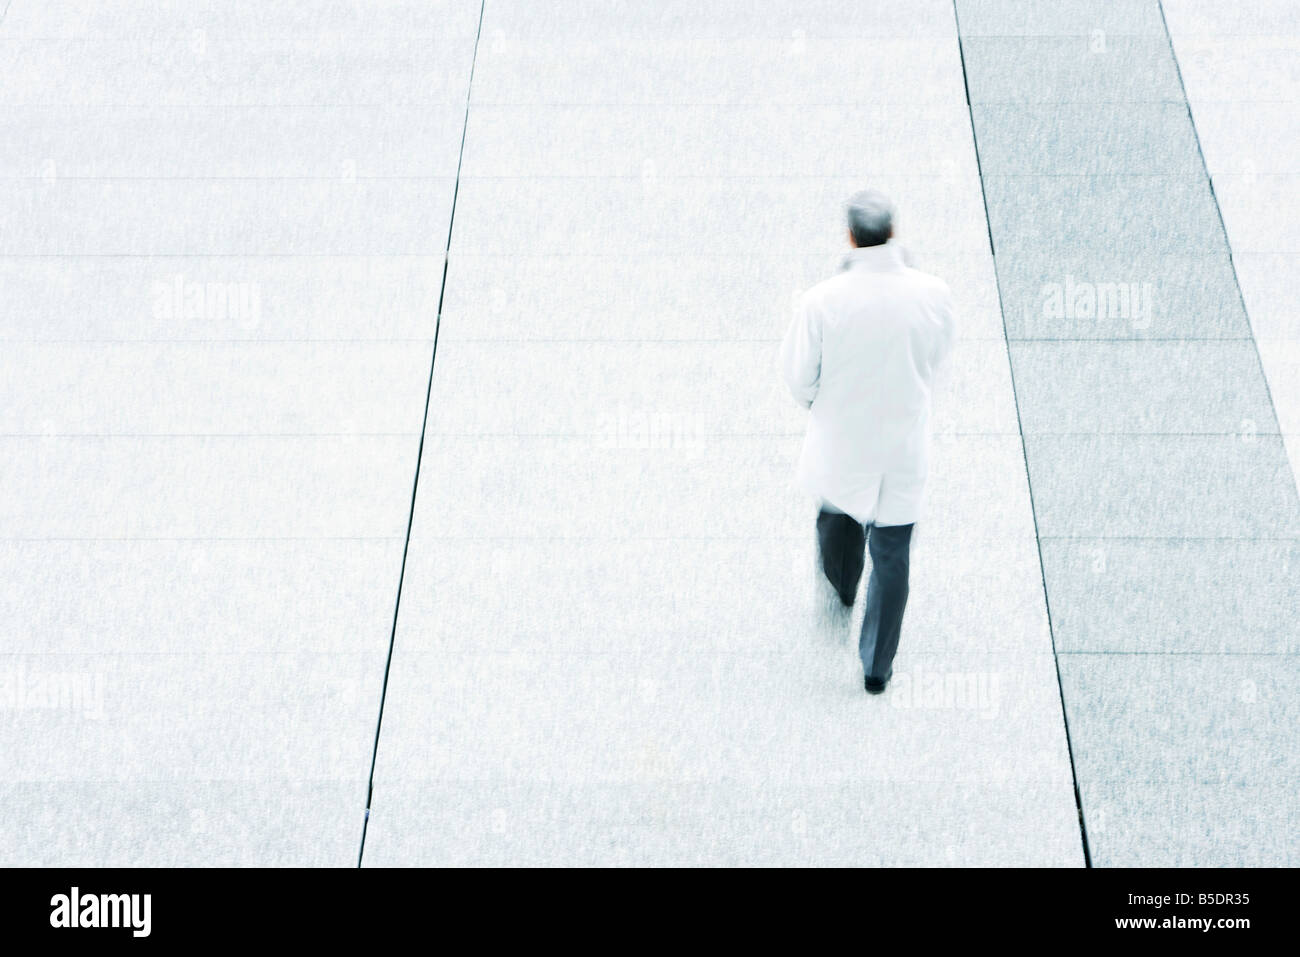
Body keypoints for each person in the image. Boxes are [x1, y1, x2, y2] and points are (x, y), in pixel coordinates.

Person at [780, 190, 956, 694]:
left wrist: (818, 401)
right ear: (893, 233)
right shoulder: (934, 293)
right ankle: (877, 665)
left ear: (850, 237)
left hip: (843, 442)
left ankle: (841, 589)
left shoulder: (820, 302)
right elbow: (939, 358)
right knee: (894, 554)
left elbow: (797, 377)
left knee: (837, 520)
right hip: (903, 445)